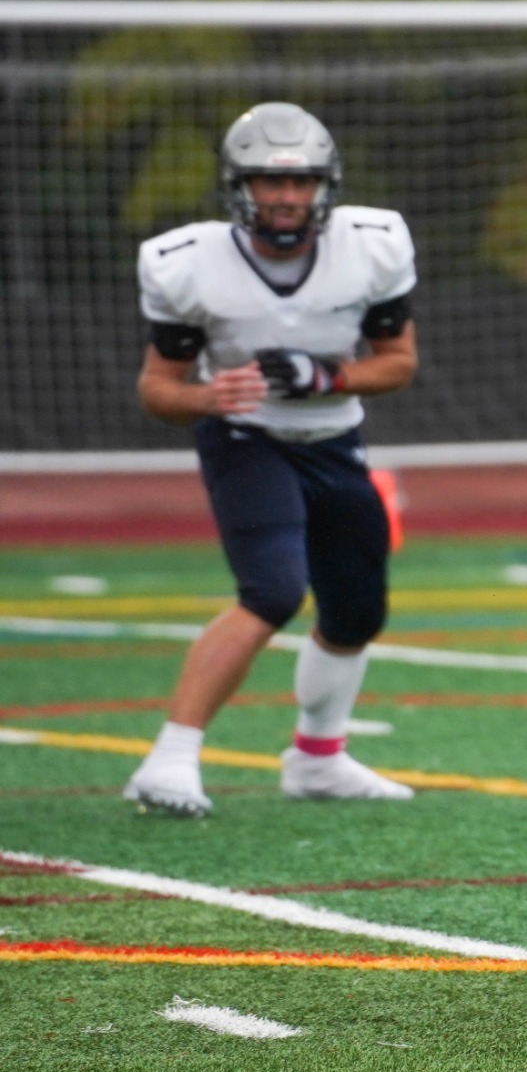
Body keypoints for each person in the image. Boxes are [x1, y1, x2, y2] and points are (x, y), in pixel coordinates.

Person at [122, 102, 419, 817]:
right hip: (245, 437)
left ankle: (318, 760)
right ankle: (170, 756)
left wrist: (329, 376)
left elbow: (399, 361)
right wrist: (207, 395)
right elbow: (158, 389)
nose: (286, 197)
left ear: (326, 184)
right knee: (273, 590)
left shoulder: (374, 244)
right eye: (267, 182)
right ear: (238, 185)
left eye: (301, 182)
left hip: (335, 438)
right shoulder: (184, 263)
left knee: (356, 611)